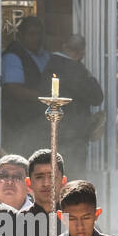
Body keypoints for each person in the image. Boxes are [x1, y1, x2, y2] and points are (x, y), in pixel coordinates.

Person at [38, 34, 104, 173]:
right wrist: (89, 76)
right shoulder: (74, 69)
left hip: (47, 130)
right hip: (73, 134)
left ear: (64, 46)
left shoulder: (50, 64)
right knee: (72, 177)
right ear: (82, 53)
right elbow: (97, 97)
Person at [1, 16, 51, 158]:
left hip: (41, 121)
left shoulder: (44, 55)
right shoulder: (13, 57)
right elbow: (13, 89)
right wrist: (44, 98)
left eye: (39, 34)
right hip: (20, 121)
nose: (37, 38)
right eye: (32, 34)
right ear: (22, 35)